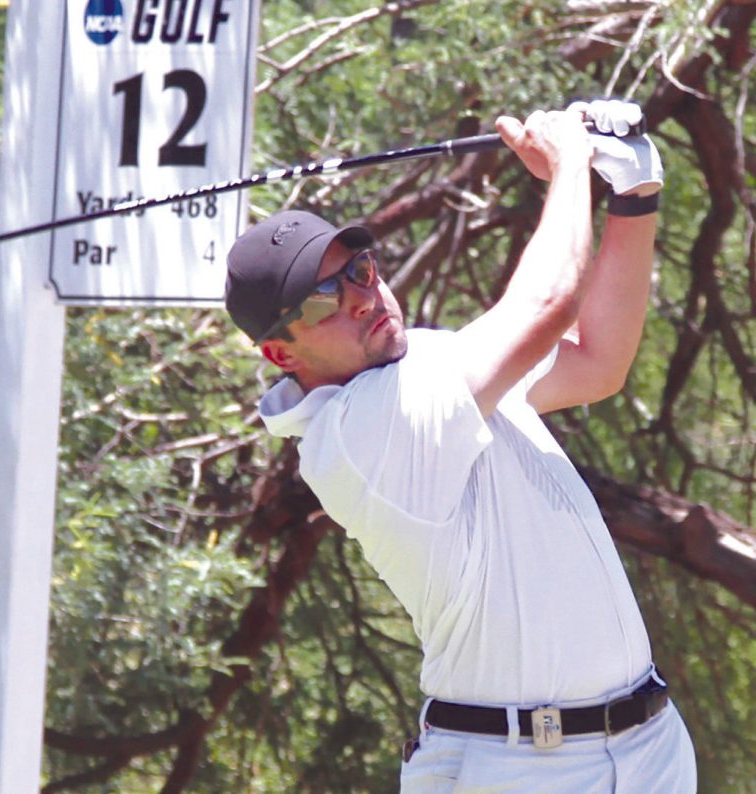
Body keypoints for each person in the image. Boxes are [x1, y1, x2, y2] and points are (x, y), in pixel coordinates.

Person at [223, 100, 697, 792]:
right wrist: (570, 167)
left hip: (647, 750)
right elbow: (547, 304)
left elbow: (599, 361)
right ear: (279, 352)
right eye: (322, 300)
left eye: (358, 269)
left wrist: (632, 197)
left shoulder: (432, 363)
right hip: (519, 767)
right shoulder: (362, 427)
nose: (361, 296)